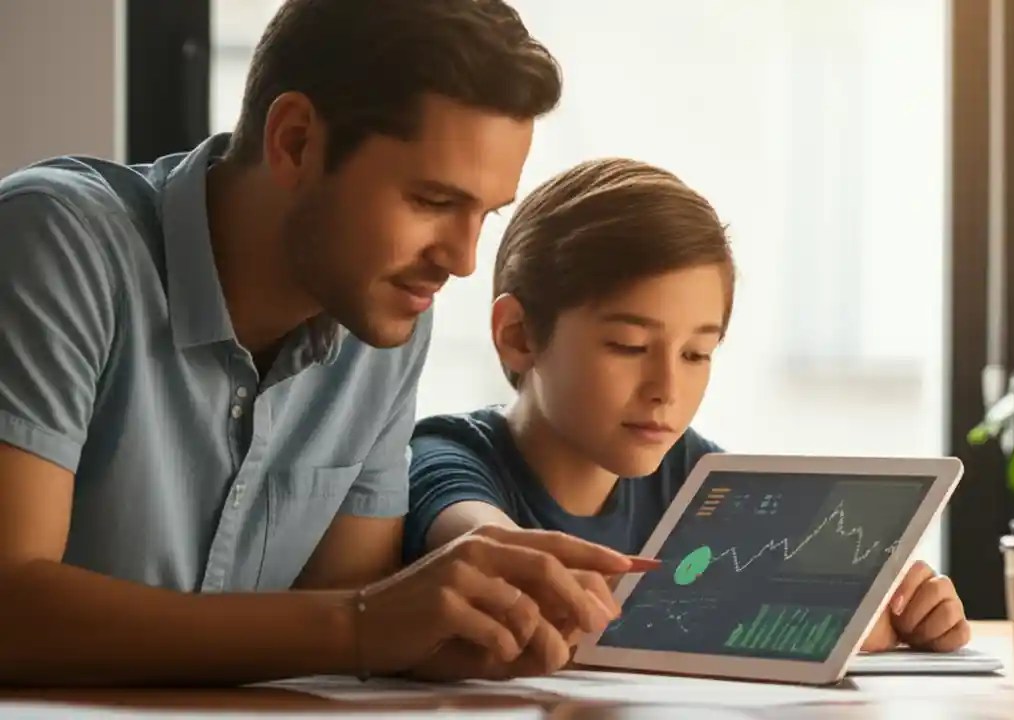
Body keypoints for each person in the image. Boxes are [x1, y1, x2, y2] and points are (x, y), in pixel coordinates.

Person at [0, 0, 651, 687]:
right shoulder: (56, 244)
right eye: (432, 202)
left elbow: (335, 627)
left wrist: (458, 638)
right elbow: (8, 604)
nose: (462, 261)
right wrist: (367, 625)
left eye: (484, 215)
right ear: (296, 142)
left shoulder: (386, 325)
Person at [406, 158, 972, 653]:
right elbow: (490, 550)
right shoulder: (447, 456)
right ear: (519, 335)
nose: (666, 390)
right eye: (629, 346)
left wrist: (896, 609)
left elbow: (811, 605)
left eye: (697, 353)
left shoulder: (703, 482)